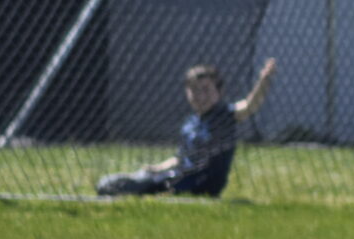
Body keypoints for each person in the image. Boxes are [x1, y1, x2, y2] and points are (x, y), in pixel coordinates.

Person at [97, 59, 277, 198]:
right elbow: (180, 158)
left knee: (148, 183)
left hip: (202, 180)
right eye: (194, 90)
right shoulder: (191, 123)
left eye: (206, 90)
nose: (200, 96)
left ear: (219, 92)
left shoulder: (223, 115)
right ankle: (131, 183)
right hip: (181, 175)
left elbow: (249, 106)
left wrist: (264, 81)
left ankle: (135, 186)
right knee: (145, 176)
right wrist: (157, 167)